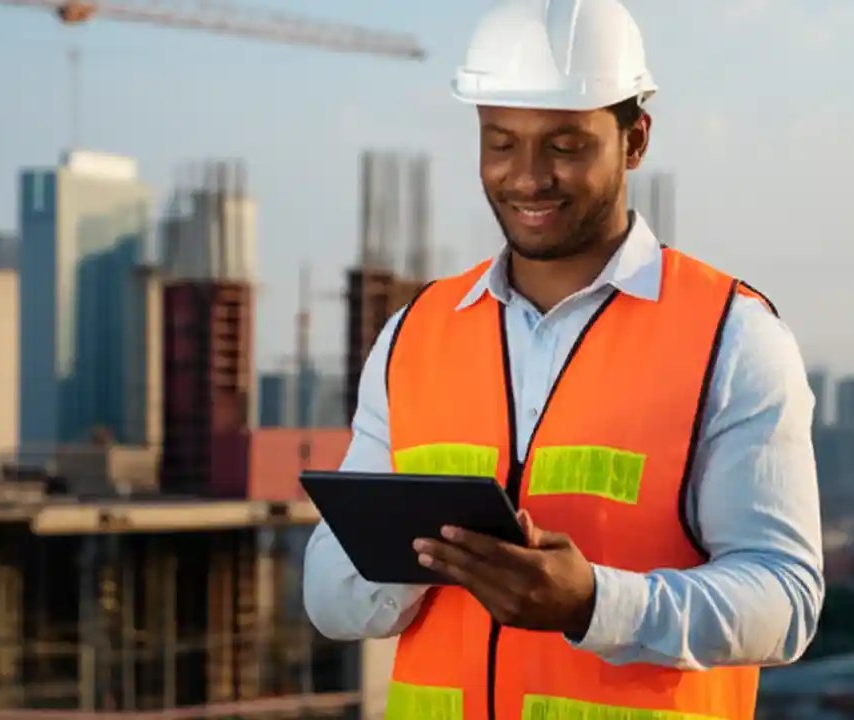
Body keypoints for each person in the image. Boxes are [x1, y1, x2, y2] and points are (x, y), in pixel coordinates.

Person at [303, 0, 824, 717]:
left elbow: (787, 601)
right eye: (501, 142)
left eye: (566, 145)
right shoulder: (414, 333)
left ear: (634, 140)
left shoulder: (731, 335)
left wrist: (595, 605)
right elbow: (330, 598)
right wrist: (424, 559)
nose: (527, 177)